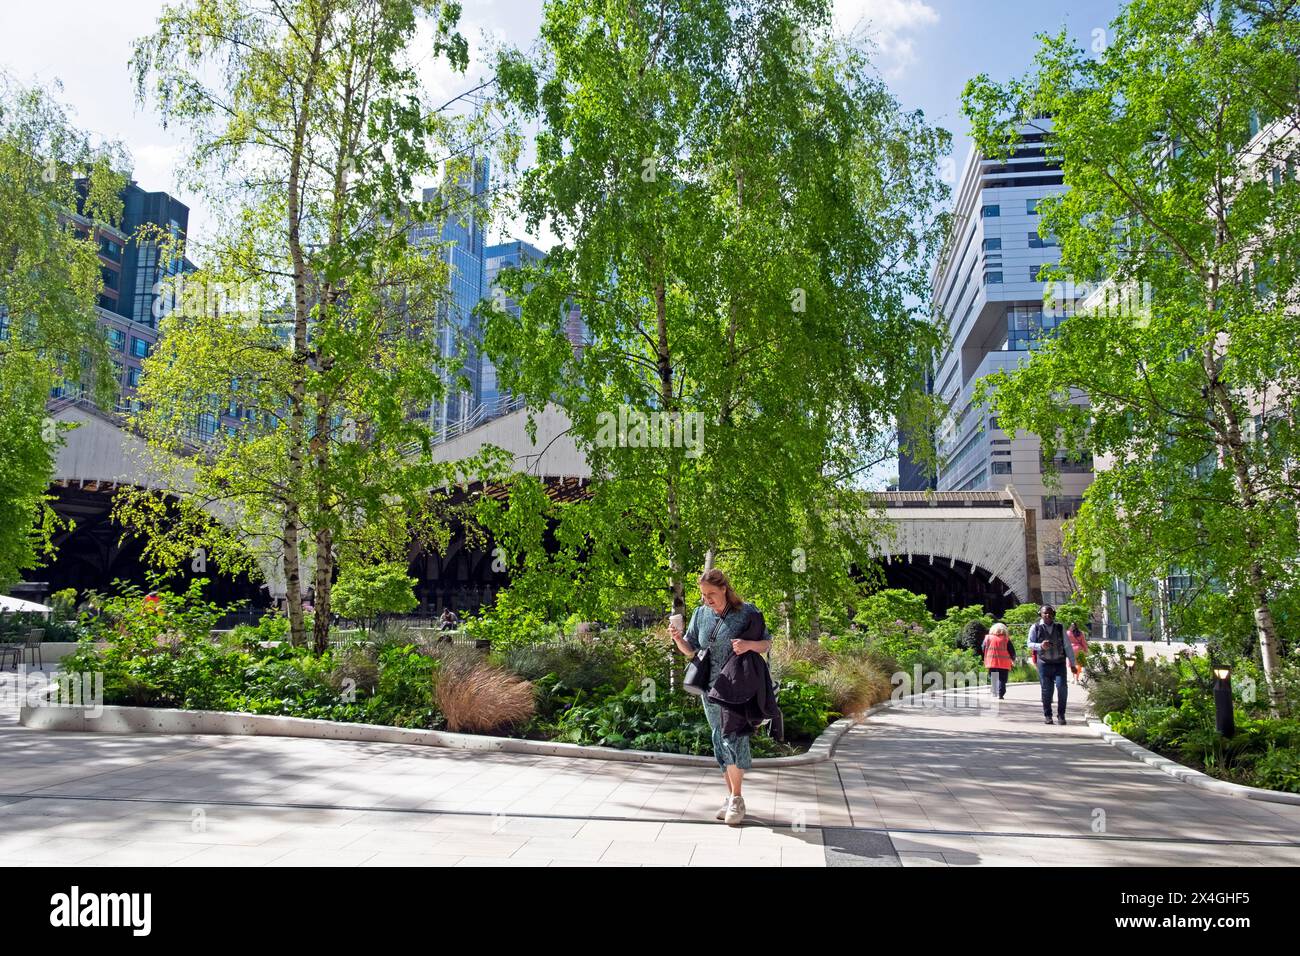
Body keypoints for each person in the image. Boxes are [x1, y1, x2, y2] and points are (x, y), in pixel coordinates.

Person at [667, 568, 772, 826]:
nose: (707, 600)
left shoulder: (747, 612)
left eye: (711, 594)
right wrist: (679, 640)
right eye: (703, 595)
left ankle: (737, 799)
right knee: (719, 738)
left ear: (724, 588)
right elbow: (692, 651)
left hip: (738, 688)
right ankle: (730, 796)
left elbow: (766, 643)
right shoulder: (701, 615)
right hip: (710, 689)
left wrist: (749, 645)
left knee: (734, 738)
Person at [1027, 605, 1075, 725]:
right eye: (1045, 613)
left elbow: (1067, 646)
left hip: (1059, 663)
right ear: (1040, 614)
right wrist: (1040, 646)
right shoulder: (1036, 627)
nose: (1047, 615)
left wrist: (1073, 663)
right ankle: (1048, 715)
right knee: (1046, 690)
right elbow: (1029, 643)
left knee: (1062, 687)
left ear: (1053, 614)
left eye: (1050, 613)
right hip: (1044, 663)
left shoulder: (1059, 627)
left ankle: (1061, 714)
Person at [981, 622, 1015, 701]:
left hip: (991, 661)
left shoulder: (988, 638)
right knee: (1002, 679)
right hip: (1004, 662)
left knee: (993, 676)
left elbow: (983, 648)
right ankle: (1001, 693)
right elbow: (1011, 650)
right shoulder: (1006, 639)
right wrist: (1013, 658)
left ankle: (994, 691)